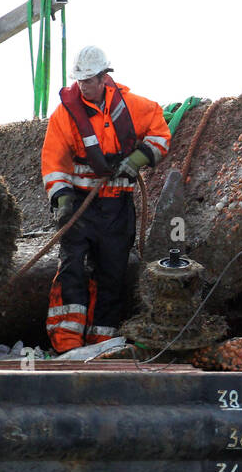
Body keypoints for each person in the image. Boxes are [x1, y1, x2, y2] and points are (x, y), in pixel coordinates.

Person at [41, 45, 171, 351]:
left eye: (89, 80)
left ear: (104, 78)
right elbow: (53, 161)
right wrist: (61, 199)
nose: (83, 86)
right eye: (80, 80)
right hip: (80, 205)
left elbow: (160, 133)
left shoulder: (133, 106)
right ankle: (67, 342)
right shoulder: (64, 115)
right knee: (72, 267)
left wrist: (138, 159)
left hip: (116, 206)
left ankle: (104, 341)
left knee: (112, 271)